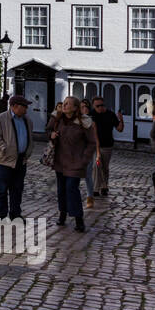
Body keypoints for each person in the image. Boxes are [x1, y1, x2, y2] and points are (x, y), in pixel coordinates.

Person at [46, 95, 97, 232]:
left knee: (71, 189)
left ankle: (79, 219)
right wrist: (51, 135)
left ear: (75, 107)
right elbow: (48, 130)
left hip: (75, 162)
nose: (65, 105)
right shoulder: (57, 118)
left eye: (68, 104)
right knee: (61, 189)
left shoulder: (83, 122)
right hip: (60, 160)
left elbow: (92, 143)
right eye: (64, 102)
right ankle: (62, 213)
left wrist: (84, 160)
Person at [0, 94, 33, 220]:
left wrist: (28, 151)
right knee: (2, 189)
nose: (26, 109)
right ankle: (1, 215)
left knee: (17, 189)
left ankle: (15, 214)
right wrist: (4, 148)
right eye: (24, 106)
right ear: (14, 106)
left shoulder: (27, 120)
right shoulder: (1, 119)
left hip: (20, 159)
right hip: (4, 161)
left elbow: (30, 137)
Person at [89, 96, 123, 197]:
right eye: (97, 106)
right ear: (94, 106)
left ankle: (104, 186)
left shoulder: (110, 114)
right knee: (96, 165)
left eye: (102, 105)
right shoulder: (91, 115)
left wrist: (121, 119)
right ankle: (95, 189)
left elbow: (119, 129)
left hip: (107, 145)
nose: (100, 107)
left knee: (104, 167)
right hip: (95, 145)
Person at [79, 99, 101, 210]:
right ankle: (76, 197)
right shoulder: (76, 120)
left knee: (88, 175)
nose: (85, 109)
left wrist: (98, 153)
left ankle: (89, 197)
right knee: (76, 175)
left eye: (86, 107)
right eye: (82, 107)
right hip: (77, 151)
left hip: (88, 151)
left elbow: (95, 138)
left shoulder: (91, 122)